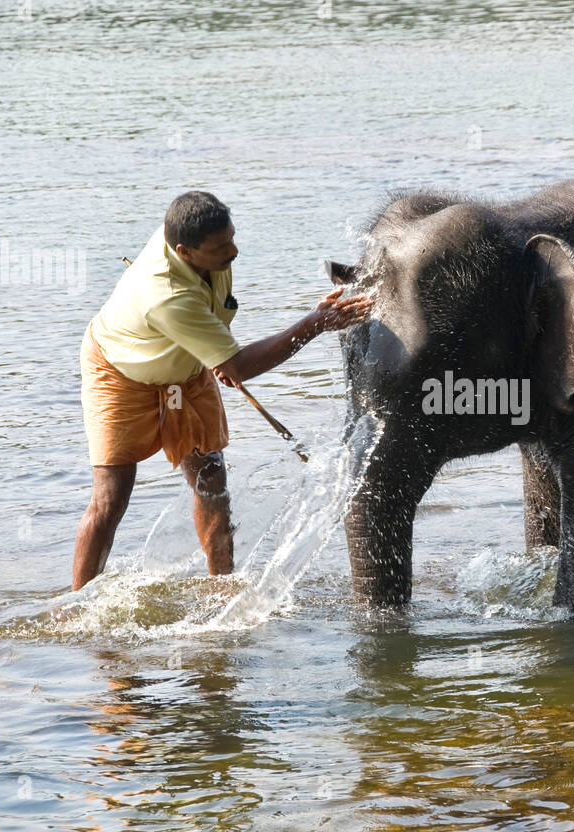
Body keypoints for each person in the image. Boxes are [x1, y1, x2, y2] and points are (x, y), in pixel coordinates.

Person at [72, 191, 370, 590]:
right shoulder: (165, 294)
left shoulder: (197, 239)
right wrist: (314, 324)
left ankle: (222, 588)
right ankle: (79, 601)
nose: (234, 251)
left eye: (232, 237)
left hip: (187, 365)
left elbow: (229, 355)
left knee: (210, 478)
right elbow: (238, 367)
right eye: (220, 247)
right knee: (112, 497)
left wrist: (217, 354)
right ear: (183, 250)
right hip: (121, 370)